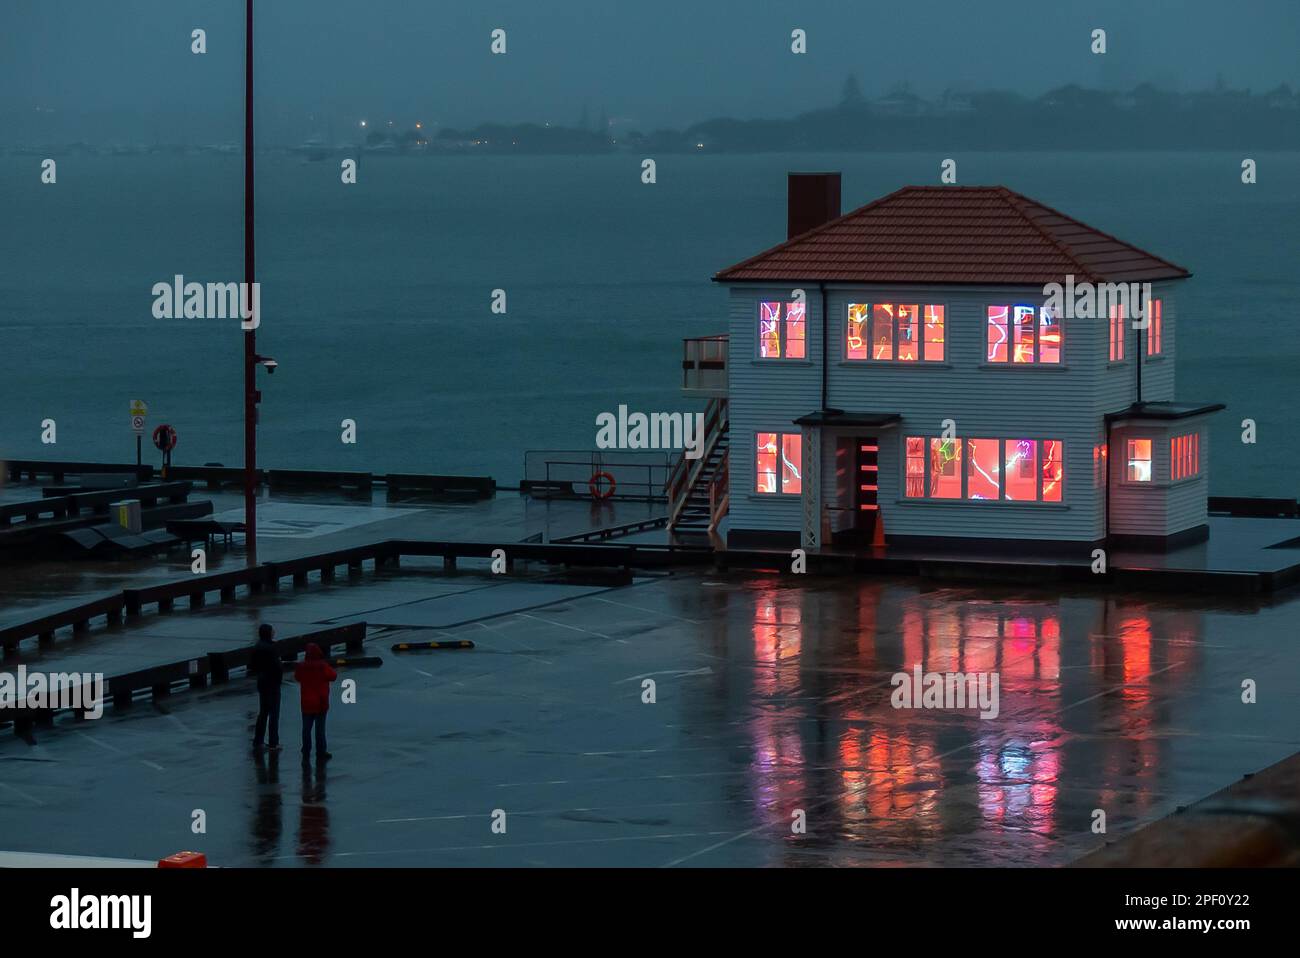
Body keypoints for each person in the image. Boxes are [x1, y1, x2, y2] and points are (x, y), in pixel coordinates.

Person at [294, 643, 337, 763]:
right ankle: (321, 751)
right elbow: (333, 676)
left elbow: (297, 677)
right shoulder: (323, 666)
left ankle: (306, 749)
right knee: (320, 729)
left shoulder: (301, 666)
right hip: (321, 702)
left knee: (306, 729)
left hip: (307, 702)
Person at [250, 623, 282, 751]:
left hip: (262, 682)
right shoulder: (271, 648)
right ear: (269, 633)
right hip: (273, 683)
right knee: (274, 713)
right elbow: (277, 667)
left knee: (263, 712)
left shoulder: (257, 647)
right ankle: (273, 742)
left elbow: (253, 665)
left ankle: (258, 740)